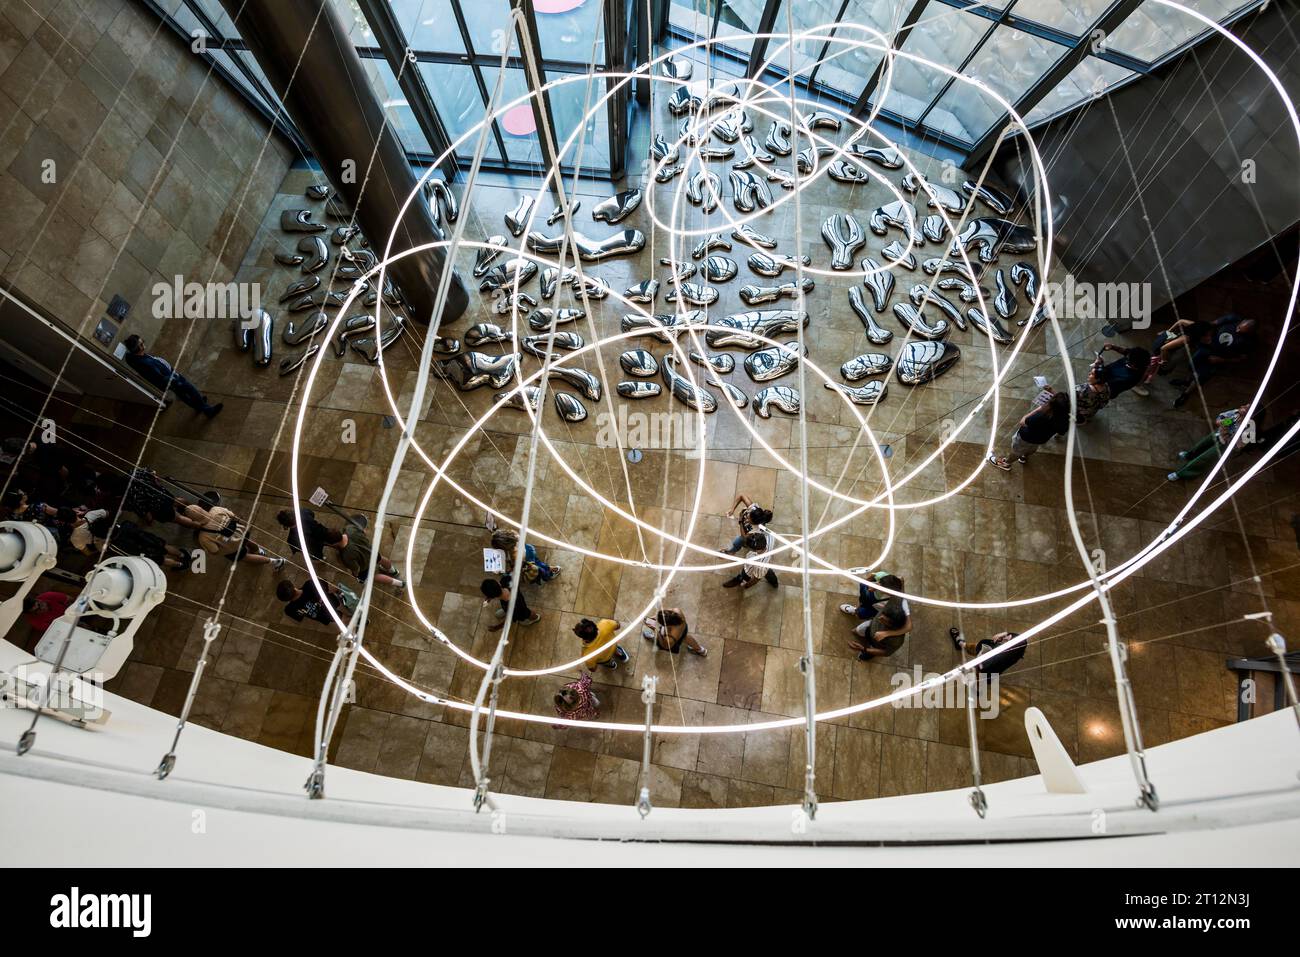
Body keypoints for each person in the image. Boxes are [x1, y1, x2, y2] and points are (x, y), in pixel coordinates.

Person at [122, 334, 223, 418]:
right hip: (171, 379)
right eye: (141, 344)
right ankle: (208, 410)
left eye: (142, 341)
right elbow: (158, 376)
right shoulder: (144, 363)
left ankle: (198, 404)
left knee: (184, 394)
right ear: (136, 348)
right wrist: (175, 380)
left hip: (170, 376)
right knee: (190, 390)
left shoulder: (138, 357)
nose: (143, 344)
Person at [1172, 315, 1256, 408]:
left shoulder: (1249, 342)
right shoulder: (1232, 319)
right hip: (1206, 348)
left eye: (1242, 332)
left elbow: (1241, 359)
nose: (1238, 331)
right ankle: (1187, 380)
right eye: (1239, 327)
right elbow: (1212, 324)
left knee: (1202, 376)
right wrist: (1206, 336)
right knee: (1192, 364)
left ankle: (1186, 394)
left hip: (1218, 358)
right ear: (1241, 321)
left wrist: (1222, 360)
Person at [176, 498, 284, 569]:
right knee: (247, 541)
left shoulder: (203, 537)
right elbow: (233, 516)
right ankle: (259, 551)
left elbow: (215, 550)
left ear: (193, 520)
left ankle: (276, 561)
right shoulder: (216, 510)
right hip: (242, 532)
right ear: (201, 508)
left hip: (233, 548)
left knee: (245, 557)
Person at [988, 391, 1072, 470]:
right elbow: (1062, 431)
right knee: (1032, 449)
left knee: (1016, 451)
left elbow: (1023, 422)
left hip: (1025, 437)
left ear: (1051, 405)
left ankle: (1006, 463)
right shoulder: (1065, 419)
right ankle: (1024, 456)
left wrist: (1038, 409)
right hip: (1041, 439)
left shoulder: (1041, 416)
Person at [1167, 405, 1252, 482]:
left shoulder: (1250, 426)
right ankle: (1189, 455)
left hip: (1225, 444)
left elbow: (1242, 444)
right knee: (1201, 445)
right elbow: (1221, 418)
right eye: (1244, 406)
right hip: (1218, 433)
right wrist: (1224, 422)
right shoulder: (1236, 413)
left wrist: (1231, 439)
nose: (1242, 407)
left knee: (1205, 458)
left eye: (1246, 408)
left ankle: (1184, 473)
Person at [323, 523, 401, 587]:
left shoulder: (346, 556)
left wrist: (356, 575)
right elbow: (363, 531)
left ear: (334, 543)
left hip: (365, 566)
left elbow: (356, 569)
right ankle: (393, 571)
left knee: (372, 576)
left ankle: (398, 583)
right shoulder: (349, 528)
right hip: (370, 551)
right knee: (381, 559)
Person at [848, 595, 911, 660]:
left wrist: (863, 649)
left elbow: (886, 653)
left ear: (892, 625)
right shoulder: (895, 603)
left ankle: (864, 655)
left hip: (875, 644)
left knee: (865, 655)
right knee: (858, 630)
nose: (879, 617)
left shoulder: (896, 641)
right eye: (882, 613)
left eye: (884, 620)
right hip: (870, 626)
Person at [951, 628, 1026, 680]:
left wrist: (965, 669)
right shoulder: (1018, 648)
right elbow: (1020, 639)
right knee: (974, 647)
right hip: (986, 650)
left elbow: (982, 666)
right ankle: (961, 644)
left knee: (978, 677)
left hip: (985, 668)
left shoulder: (999, 658)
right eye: (1008, 638)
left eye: (1007, 639)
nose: (1005, 638)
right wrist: (1005, 634)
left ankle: (977, 689)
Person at [490, 528, 560, 583]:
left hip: (527, 559)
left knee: (538, 570)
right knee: (537, 561)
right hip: (529, 549)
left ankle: (549, 575)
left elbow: (517, 569)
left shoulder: (516, 555)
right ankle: (548, 567)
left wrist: (504, 572)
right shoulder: (513, 533)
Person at [276, 578, 350, 625]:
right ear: (293, 585)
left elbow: (298, 621)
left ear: (286, 600)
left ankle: (354, 622)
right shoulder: (310, 585)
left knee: (342, 618)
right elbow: (332, 588)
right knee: (344, 608)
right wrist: (339, 591)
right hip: (333, 601)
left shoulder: (290, 609)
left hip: (323, 616)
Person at [839, 571, 905, 622]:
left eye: (881, 587)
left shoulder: (893, 597)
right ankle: (856, 609)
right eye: (879, 582)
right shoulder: (883, 576)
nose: (878, 585)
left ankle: (860, 612)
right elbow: (873, 575)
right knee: (863, 594)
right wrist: (867, 583)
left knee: (861, 614)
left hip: (876, 603)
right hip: (870, 595)